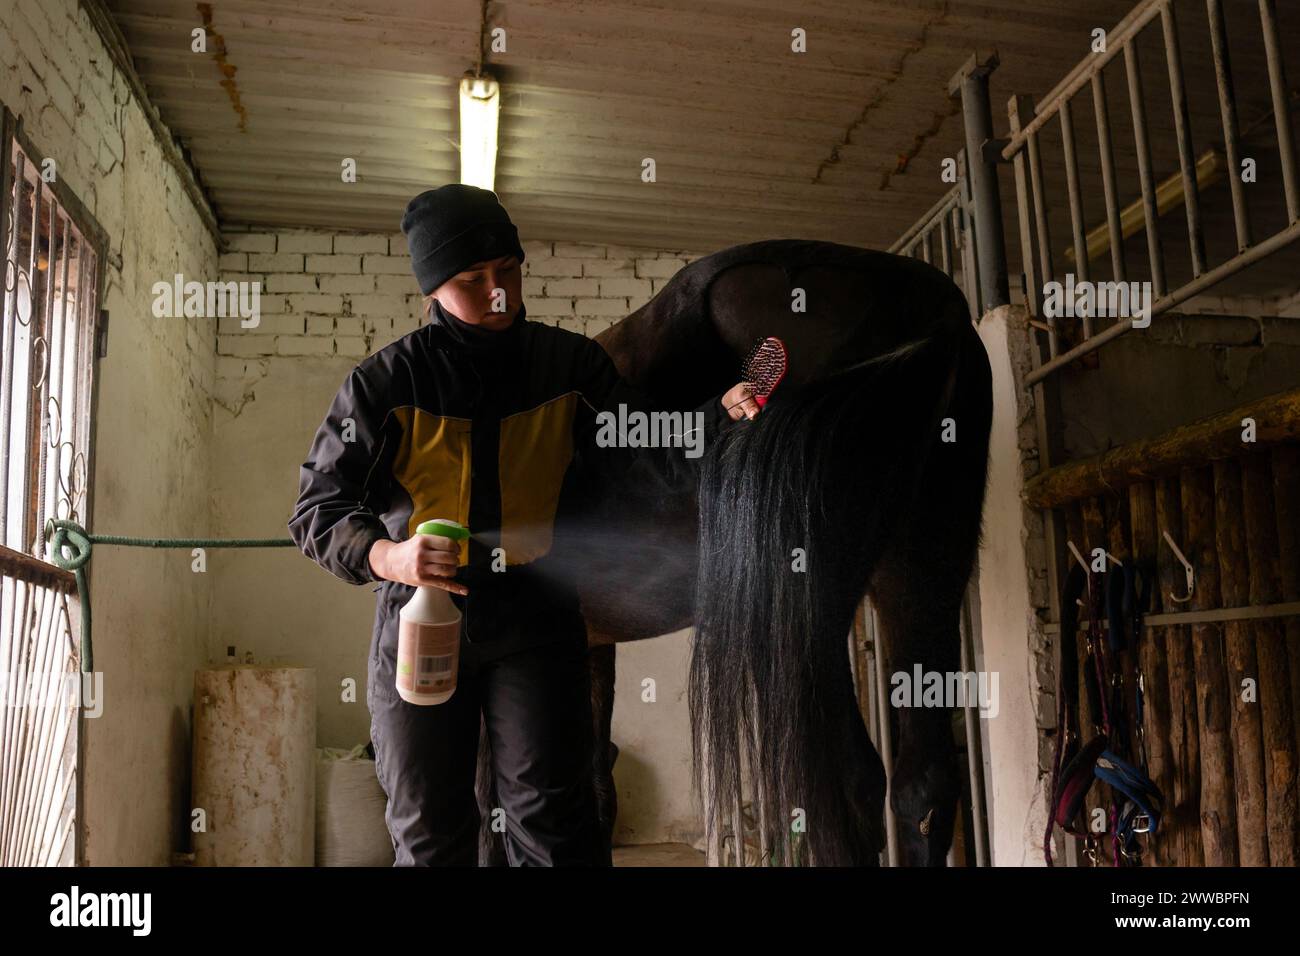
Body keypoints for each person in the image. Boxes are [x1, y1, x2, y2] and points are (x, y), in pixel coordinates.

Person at [288, 184, 760, 866]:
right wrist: (390, 558)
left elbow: (645, 440)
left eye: (507, 269)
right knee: (428, 832)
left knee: (553, 826)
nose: (497, 291)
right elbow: (316, 510)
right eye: (471, 280)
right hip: (421, 619)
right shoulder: (386, 383)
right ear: (433, 289)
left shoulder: (569, 367)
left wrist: (717, 415)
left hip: (538, 621)